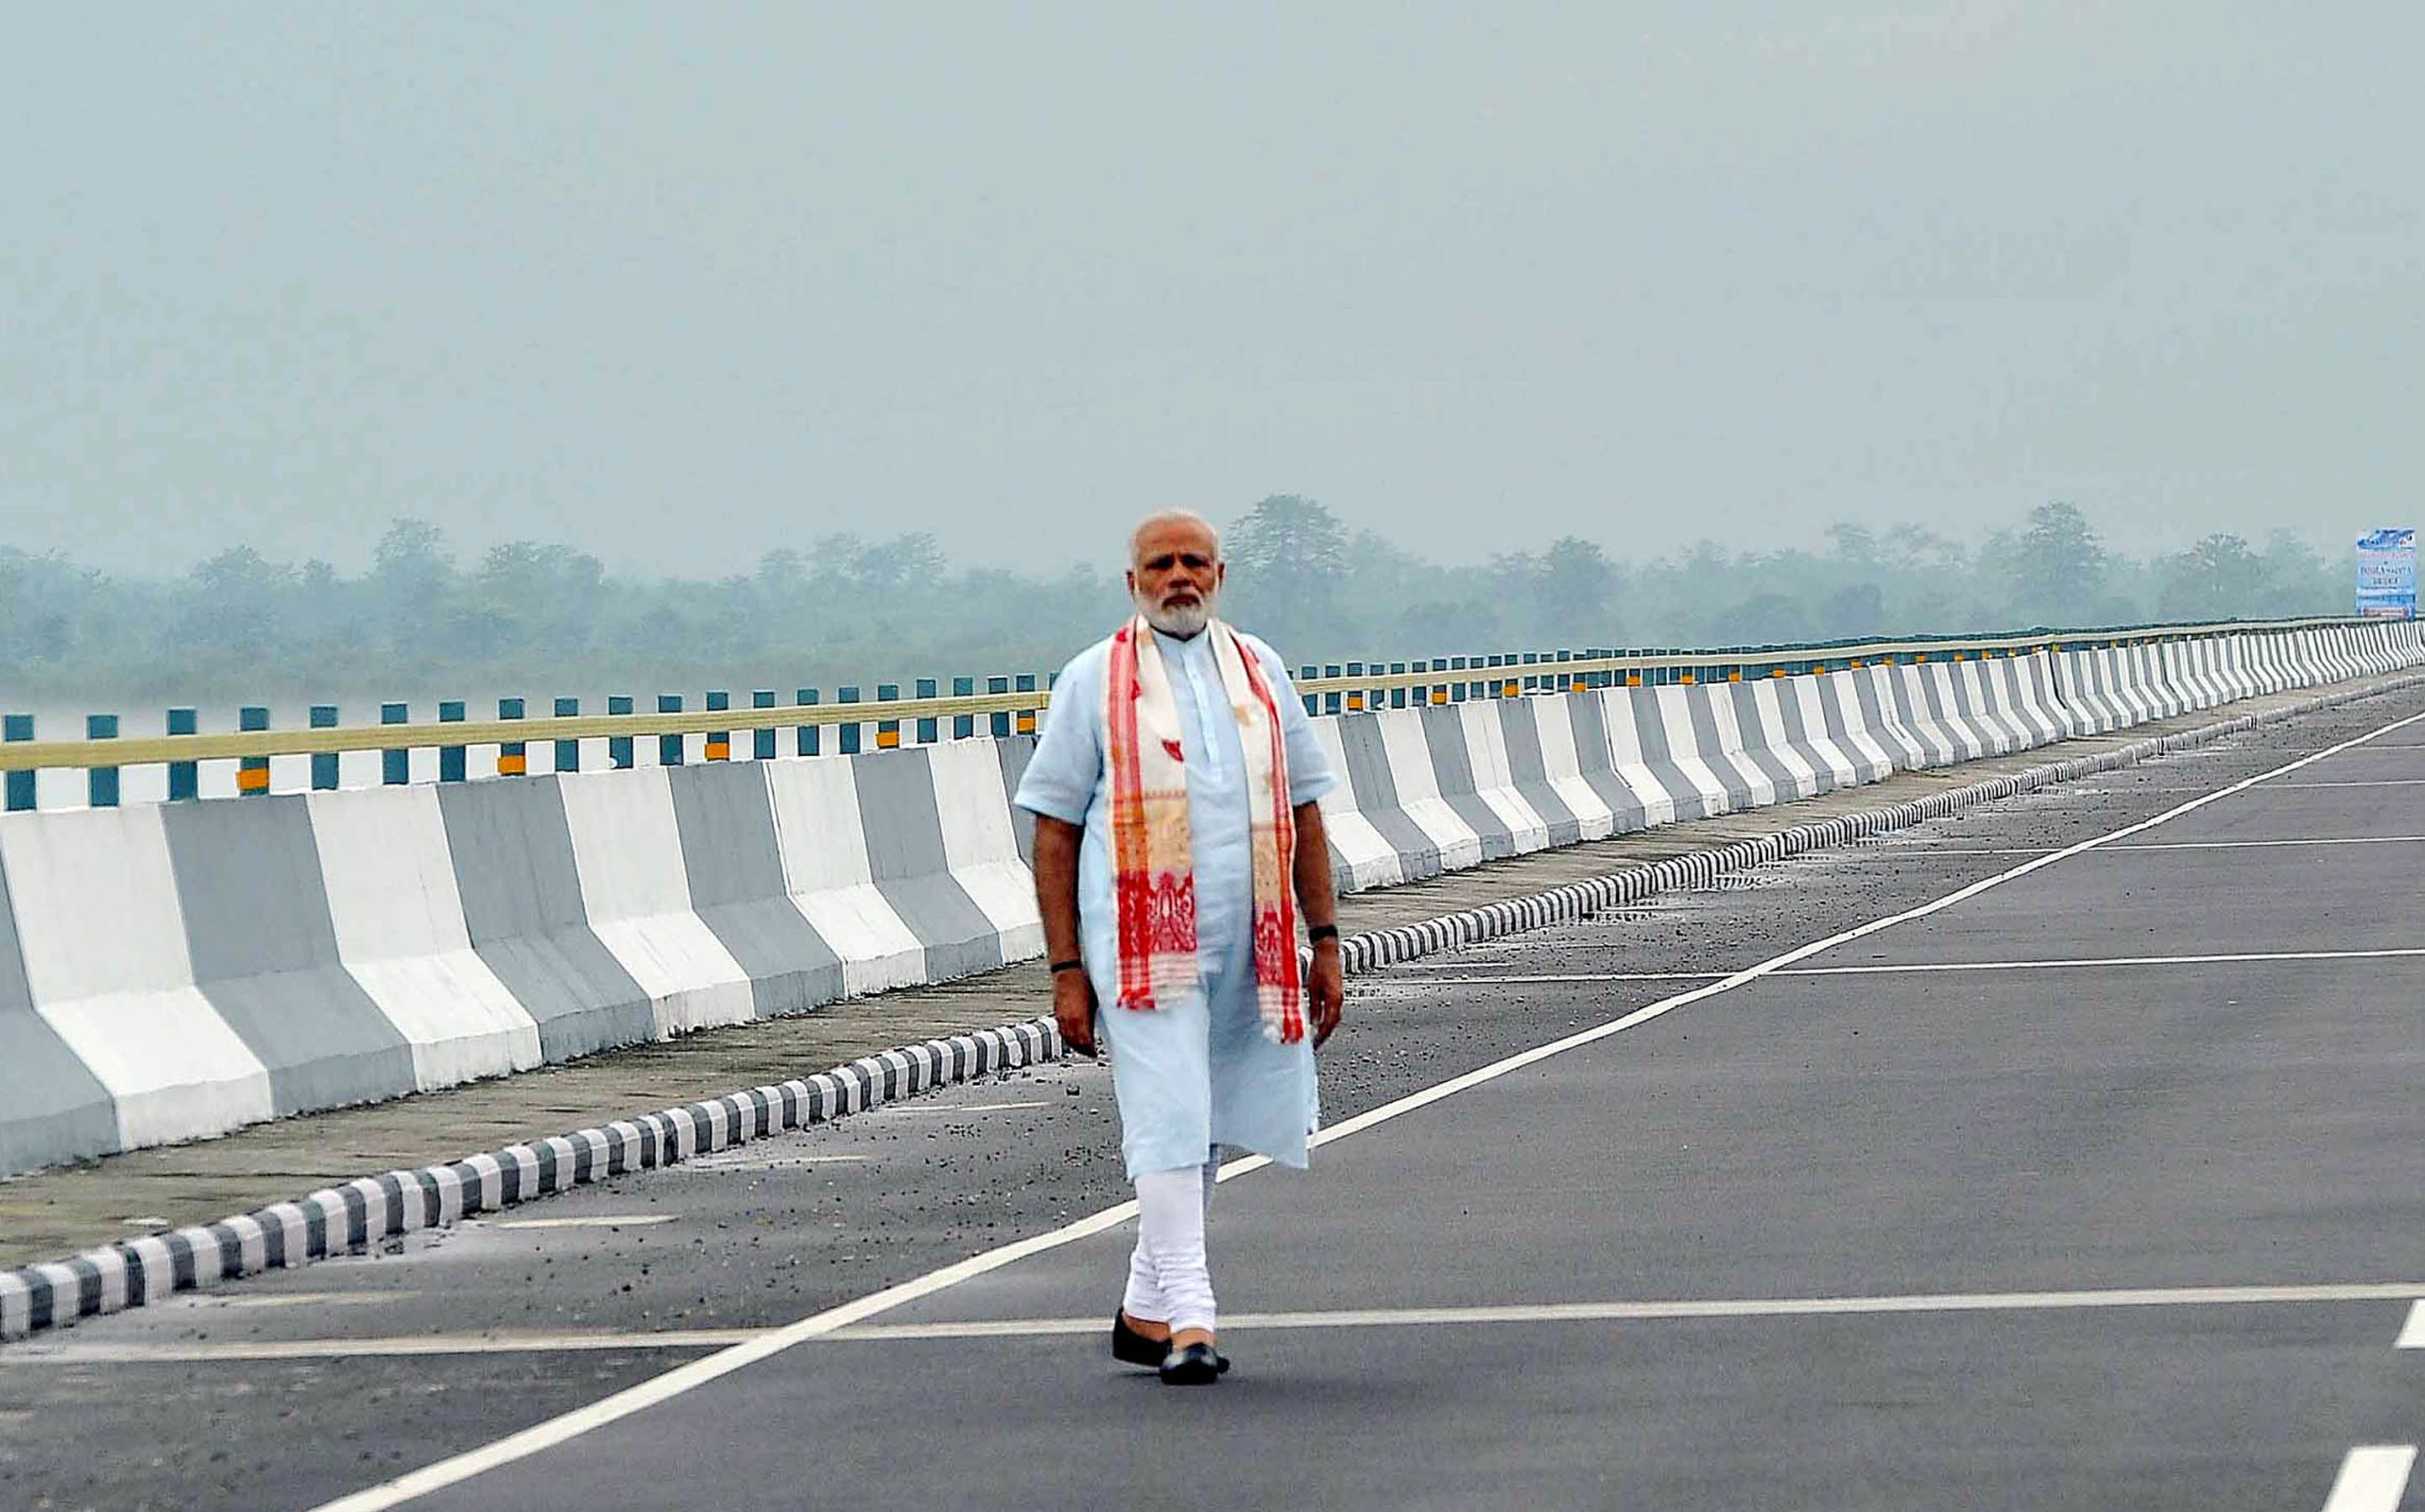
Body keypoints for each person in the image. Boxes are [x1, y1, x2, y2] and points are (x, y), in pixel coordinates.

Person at [1013, 508, 1346, 1385]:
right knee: (1166, 1113)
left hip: (1250, 939)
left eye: (1193, 562)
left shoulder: (1261, 671)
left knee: (1201, 1118)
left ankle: (1142, 1310)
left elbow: (1305, 810)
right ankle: (1192, 1319)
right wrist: (1064, 972)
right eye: (1160, 564)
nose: (1178, 577)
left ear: (1220, 574)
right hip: (1136, 946)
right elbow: (1052, 834)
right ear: (1134, 583)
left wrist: (1327, 941)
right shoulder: (1093, 681)